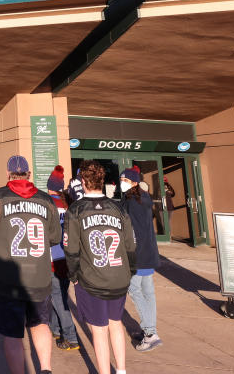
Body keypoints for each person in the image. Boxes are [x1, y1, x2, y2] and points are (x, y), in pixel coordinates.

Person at [0, 155, 60, 374]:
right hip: (39, 274)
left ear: (7, 173)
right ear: (29, 174)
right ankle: (46, 369)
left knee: (13, 333)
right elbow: (54, 236)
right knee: (40, 324)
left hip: (9, 277)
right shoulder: (46, 200)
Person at [65, 160, 137, 374]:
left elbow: (71, 248)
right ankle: (122, 370)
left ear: (84, 181)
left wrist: (73, 275)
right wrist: (129, 271)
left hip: (92, 279)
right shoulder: (118, 207)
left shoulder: (76, 210)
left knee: (99, 330)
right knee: (116, 323)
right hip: (118, 276)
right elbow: (131, 245)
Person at [121, 168, 161, 351]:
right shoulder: (145, 198)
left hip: (137, 254)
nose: (122, 181)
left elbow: (128, 229)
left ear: (134, 182)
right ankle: (150, 330)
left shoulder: (129, 201)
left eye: (125, 179)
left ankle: (150, 333)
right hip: (149, 253)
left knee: (134, 289)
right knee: (148, 293)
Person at [45, 168, 80, 352]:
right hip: (67, 257)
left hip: (53, 256)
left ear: (50, 186)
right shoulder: (68, 203)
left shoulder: (47, 203)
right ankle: (56, 329)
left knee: (58, 298)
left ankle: (71, 336)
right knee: (60, 295)